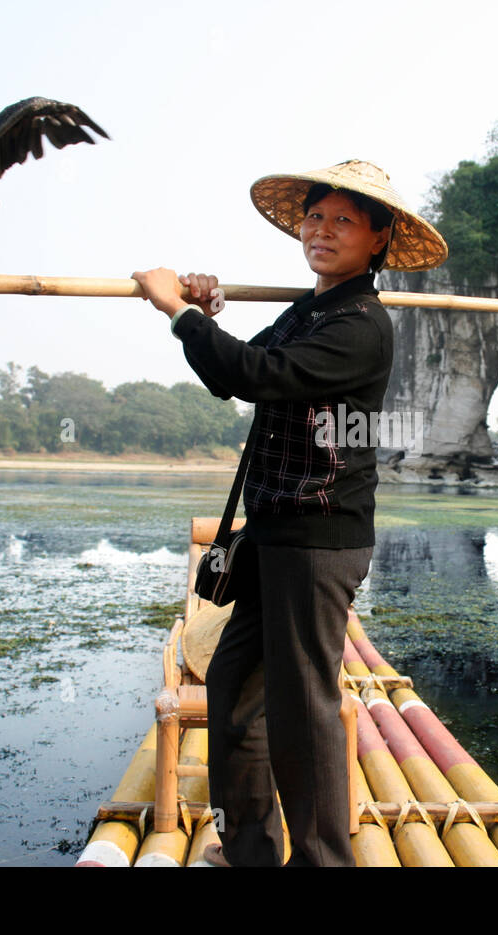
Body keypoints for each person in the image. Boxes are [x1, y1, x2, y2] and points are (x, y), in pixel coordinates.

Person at [132, 159, 446, 866]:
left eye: (343, 220)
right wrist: (206, 309)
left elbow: (253, 377)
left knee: (303, 715)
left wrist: (175, 311)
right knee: (233, 691)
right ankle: (248, 850)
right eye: (314, 217)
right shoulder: (313, 311)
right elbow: (243, 357)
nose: (322, 230)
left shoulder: (361, 326)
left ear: (378, 240)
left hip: (317, 539)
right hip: (274, 534)